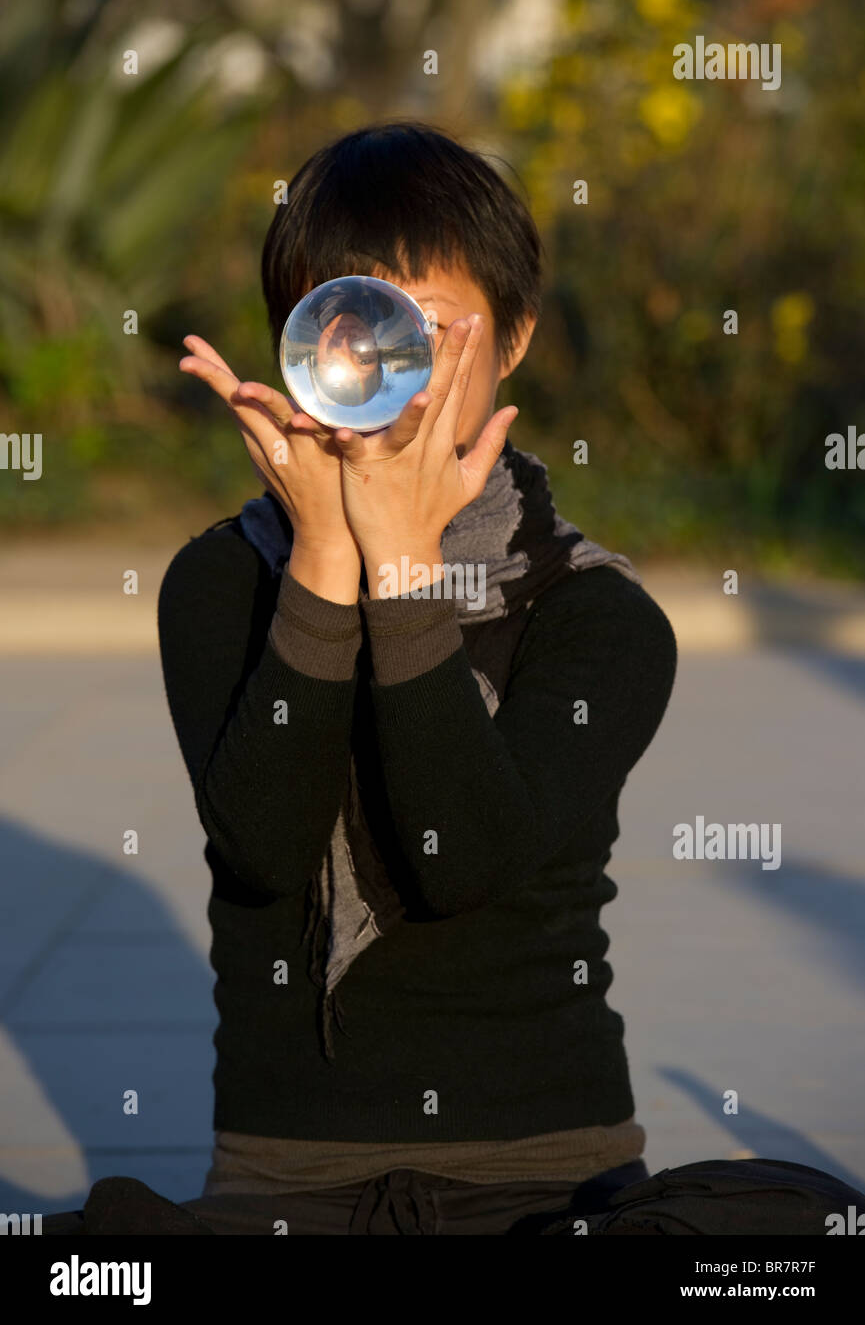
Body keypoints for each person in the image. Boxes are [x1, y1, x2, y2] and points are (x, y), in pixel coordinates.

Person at [41, 121, 678, 1236]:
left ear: (515, 337)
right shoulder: (220, 584)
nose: (391, 380)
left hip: (544, 1174)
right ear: (297, 347)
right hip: (284, 1182)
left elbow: (459, 859)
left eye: (426, 331)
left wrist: (407, 574)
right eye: (352, 329)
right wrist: (331, 563)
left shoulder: (597, 614)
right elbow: (261, 847)